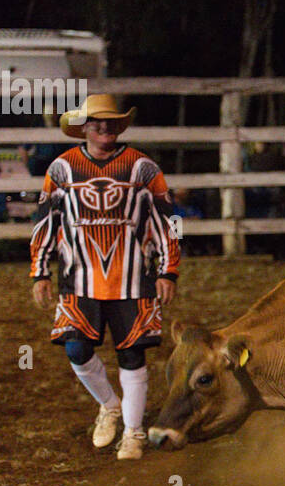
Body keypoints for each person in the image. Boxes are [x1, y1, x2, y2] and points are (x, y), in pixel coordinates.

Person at [29, 94, 180, 462]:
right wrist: (39, 271)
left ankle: (133, 433)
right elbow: (46, 221)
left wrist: (168, 270)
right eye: (96, 121)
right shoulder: (61, 169)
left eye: (110, 121)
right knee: (76, 348)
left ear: (119, 125)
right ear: (83, 127)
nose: (103, 127)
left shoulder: (143, 168)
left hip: (134, 277)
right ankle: (111, 406)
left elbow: (166, 221)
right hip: (78, 277)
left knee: (132, 353)